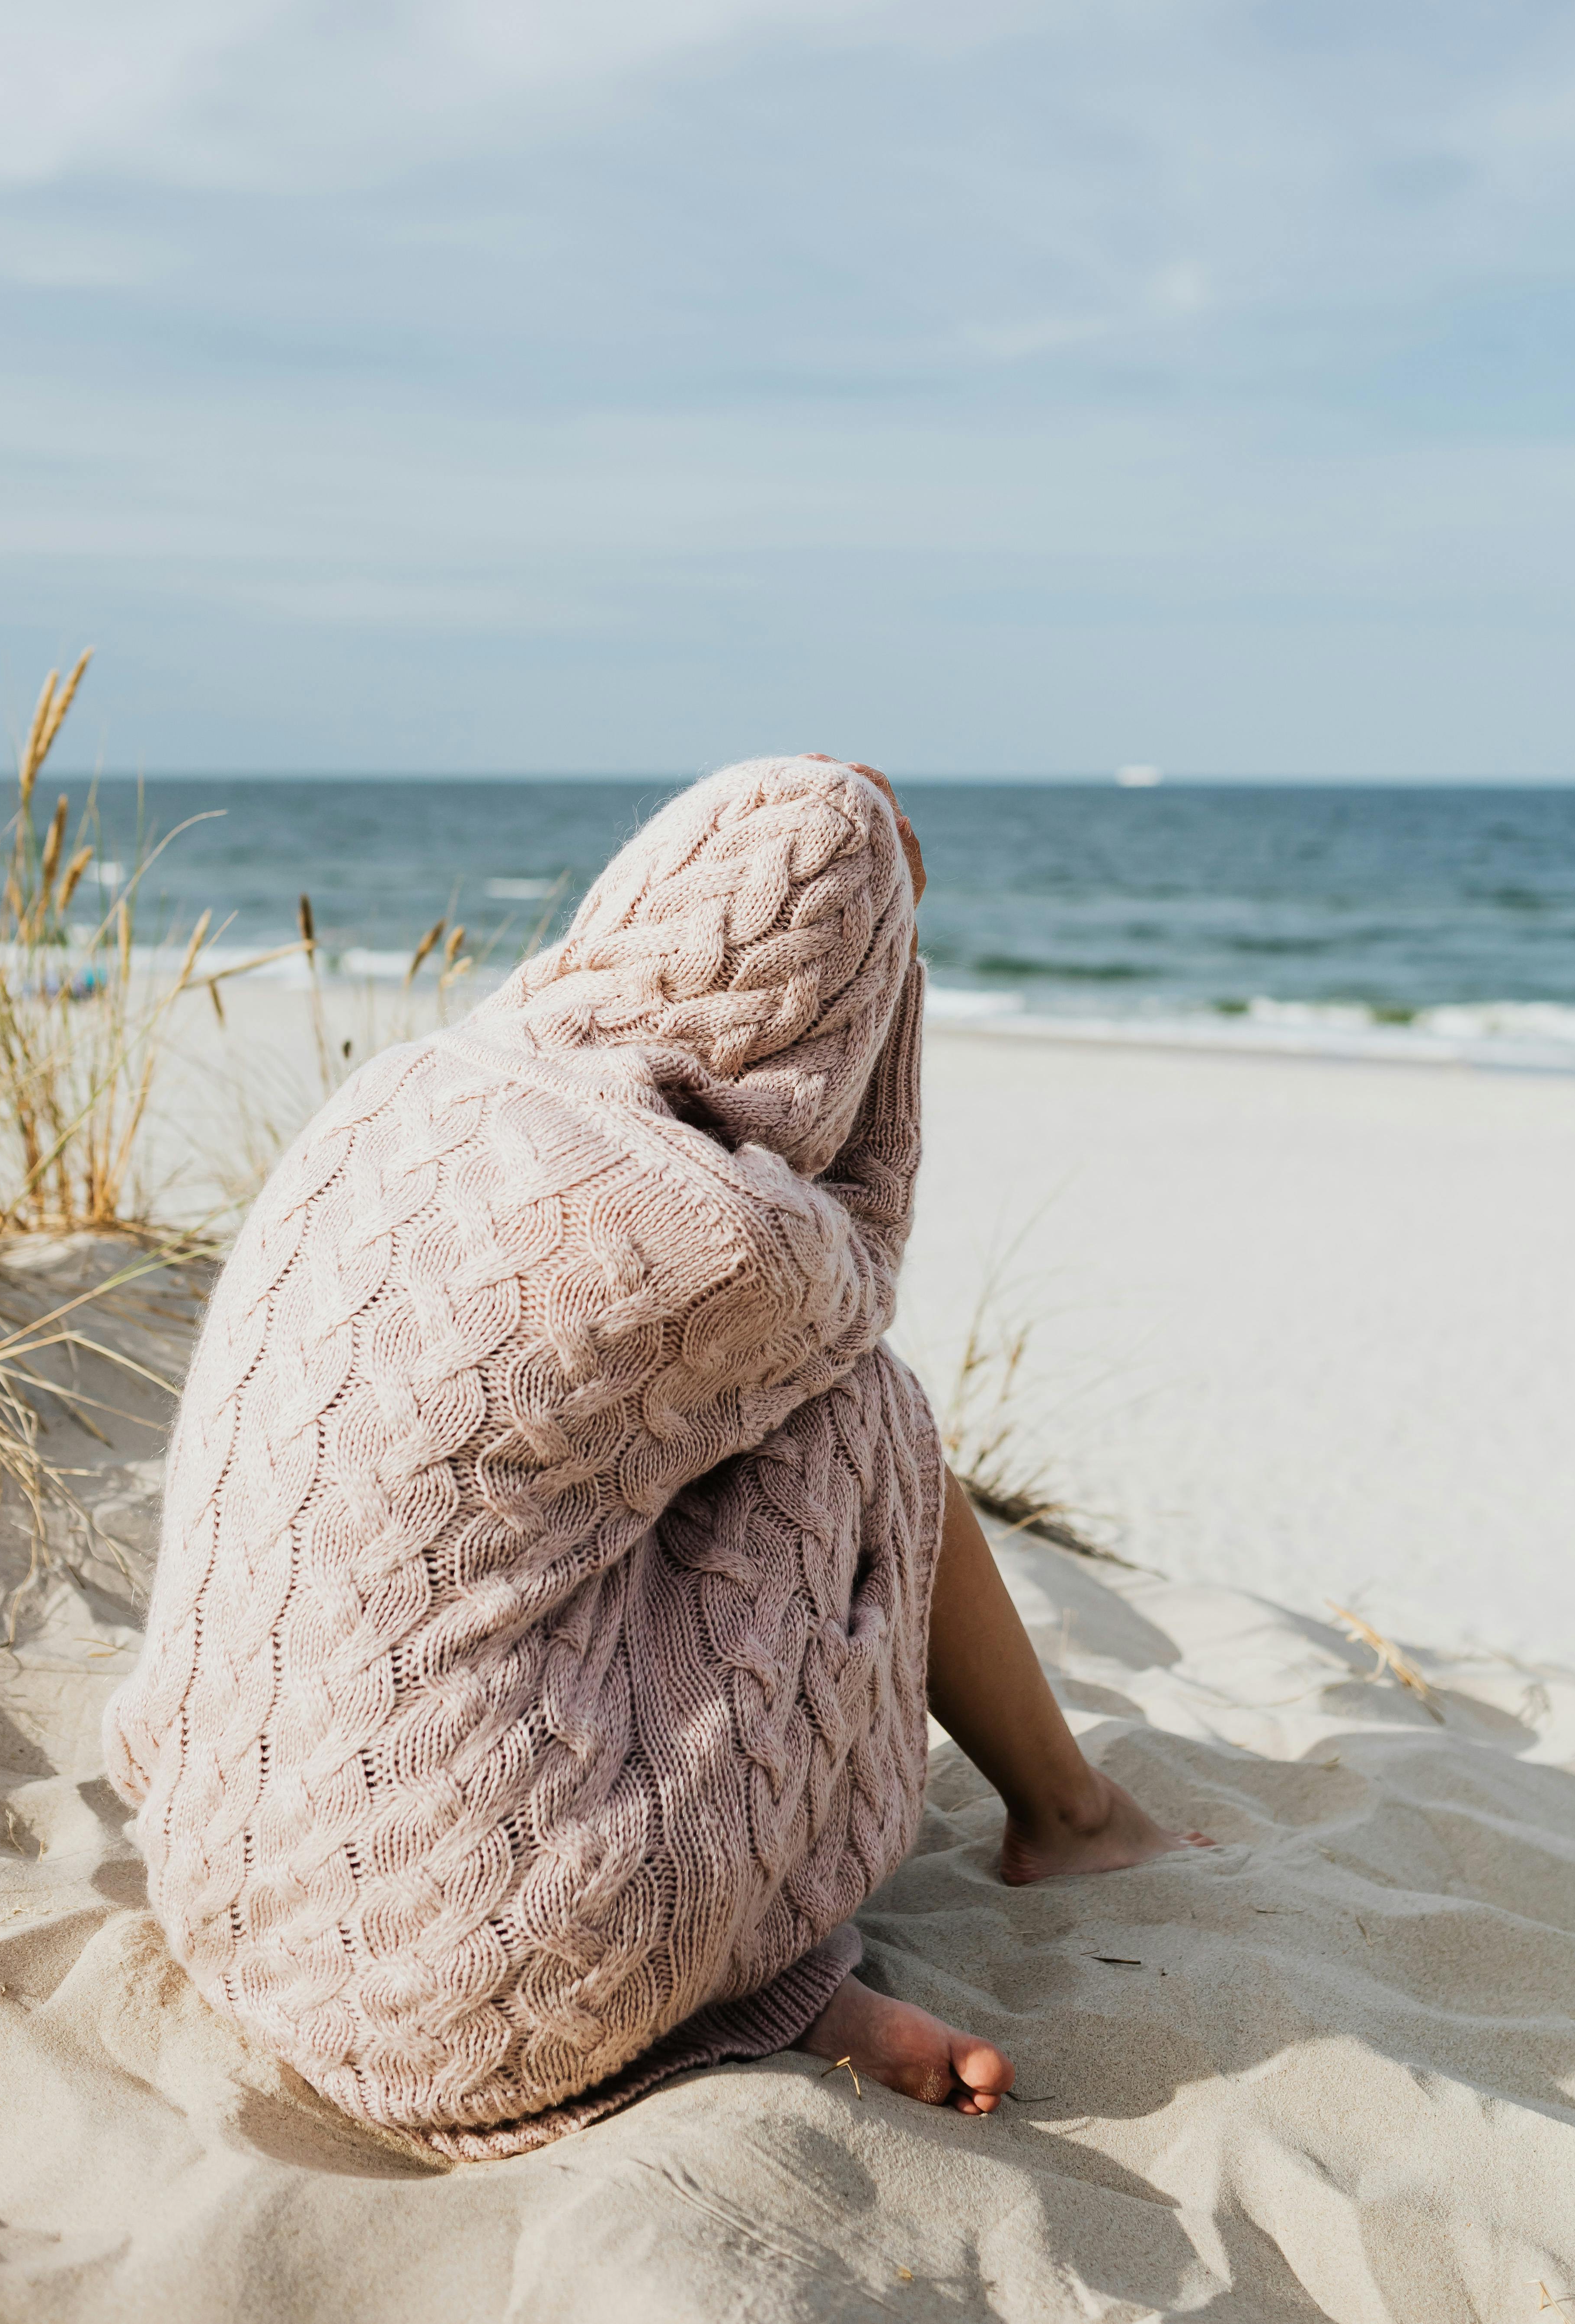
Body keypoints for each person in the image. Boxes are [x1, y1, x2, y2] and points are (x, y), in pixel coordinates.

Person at [105, 756, 1205, 2158]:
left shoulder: (402, 1093)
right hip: (485, 1962)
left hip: (240, 1887)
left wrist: (813, 846)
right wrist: (895, 957)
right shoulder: (720, 1228)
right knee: (861, 1407)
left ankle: (769, 1985)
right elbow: (860, 1243)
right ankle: (1071, 1812)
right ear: (843, 997)